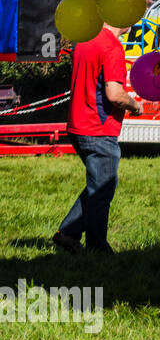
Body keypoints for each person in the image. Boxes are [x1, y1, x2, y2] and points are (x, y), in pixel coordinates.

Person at [52, 24, 144, 254]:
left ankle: (68, 235)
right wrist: (135, 105)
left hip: (77, 126)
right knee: (102, 188)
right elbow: (114, 94)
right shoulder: (111, 46)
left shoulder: (84, 38)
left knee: (99, 185)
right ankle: (97, 249)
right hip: (98, 130)